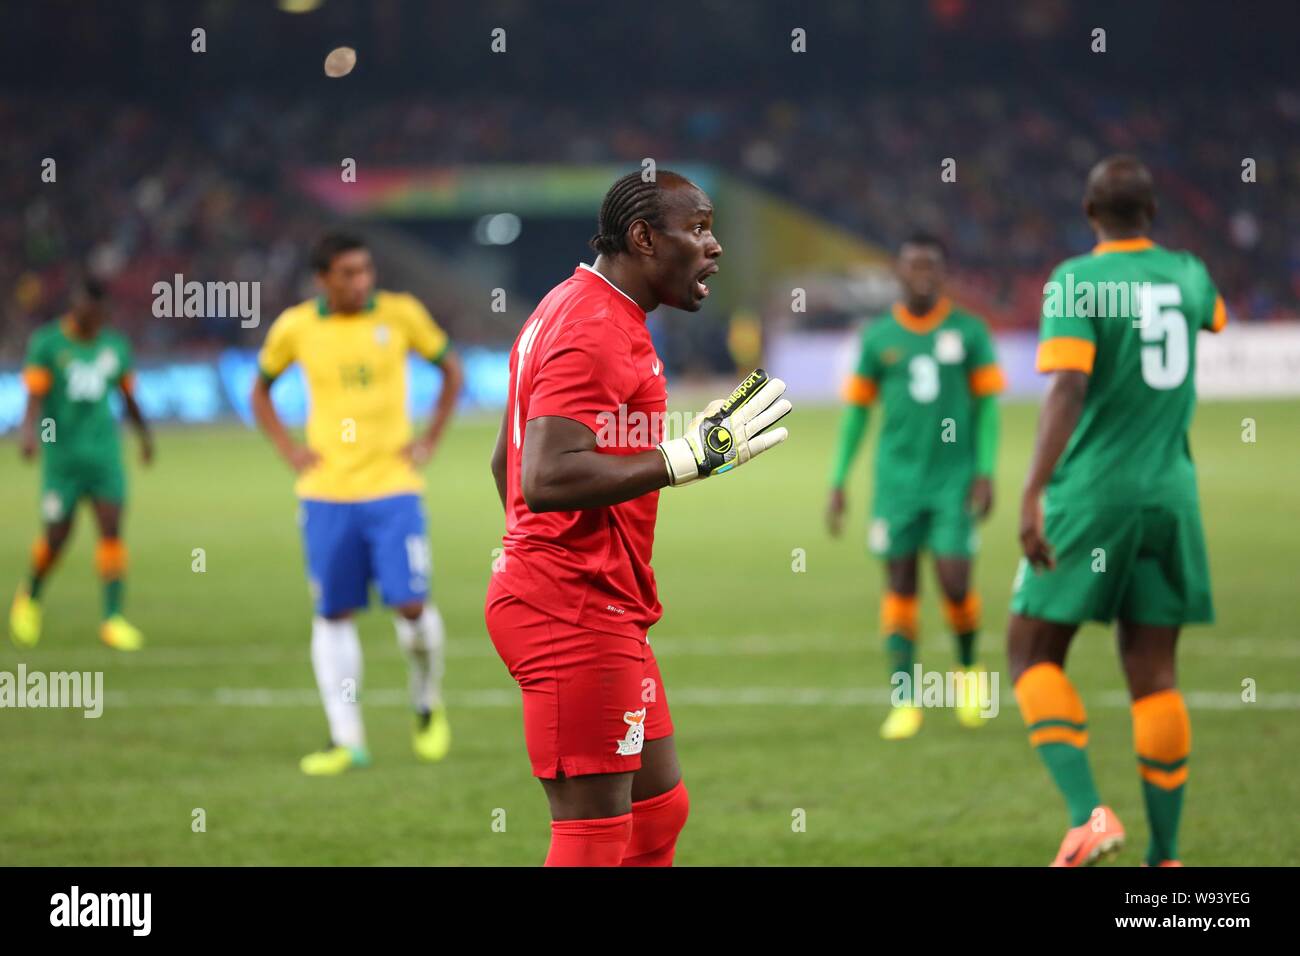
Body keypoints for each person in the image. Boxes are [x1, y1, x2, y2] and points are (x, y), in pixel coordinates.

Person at [486, 170, 791, 866]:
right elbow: (544, 474)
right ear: (644, 238)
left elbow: (506, 461)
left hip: (592, 602)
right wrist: (686, 457)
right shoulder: (593, 325)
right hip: (571, 609)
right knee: (593, 840)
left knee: (656, 816)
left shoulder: (576, 306)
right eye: (700, 228)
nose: (714, 247)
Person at [1008, 155, 1226, 866]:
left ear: (1088, 212)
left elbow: (1068, 385)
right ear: (1153, 213)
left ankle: (1088, 815)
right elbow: (1214, 318)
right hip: (1171, 495)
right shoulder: (1190, 275)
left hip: (1094, 494)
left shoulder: (1077, 280)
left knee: (1030, 651)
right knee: (1154, 675)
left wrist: (1034, 489)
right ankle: (1165, 858)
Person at [252, 233, 463, 775]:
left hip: (393, 487)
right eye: (348, 273)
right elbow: (260, 389)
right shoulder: (296, 327)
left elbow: (452, 369)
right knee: (333, 613)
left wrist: (430, 439)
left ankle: (425, 701)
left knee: (412, 609)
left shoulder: (401, 315)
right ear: (322, 278)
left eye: (365, 270)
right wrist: (287, 448)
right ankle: (347, 739)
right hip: (326, 494)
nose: (361, 281)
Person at [827, 234, 1004, 739]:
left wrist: (985, 470)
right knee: (900, 585)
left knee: (955, 582)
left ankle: (968, 676)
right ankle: (906, 699)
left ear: (943, 273)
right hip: (896, 487)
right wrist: (838, 479)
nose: (922, 275)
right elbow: (857, 414)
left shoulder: (969, 332)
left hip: (953, 484)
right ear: (899, 274)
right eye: (913, 267)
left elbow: (988, 407)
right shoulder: (880, 337)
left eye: (932, 266)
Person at [11, 276, 152, 651]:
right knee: (58, 536)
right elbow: (36, 400)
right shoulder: (47, 344)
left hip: (104, 456)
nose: (100, 320)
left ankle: (112, 619)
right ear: (79, 308)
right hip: (63, 460)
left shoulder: (114, 347)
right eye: (95, 313)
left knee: (111, 529)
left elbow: (128, 398)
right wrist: (36, 436)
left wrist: (144, 438)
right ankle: (30, 598)